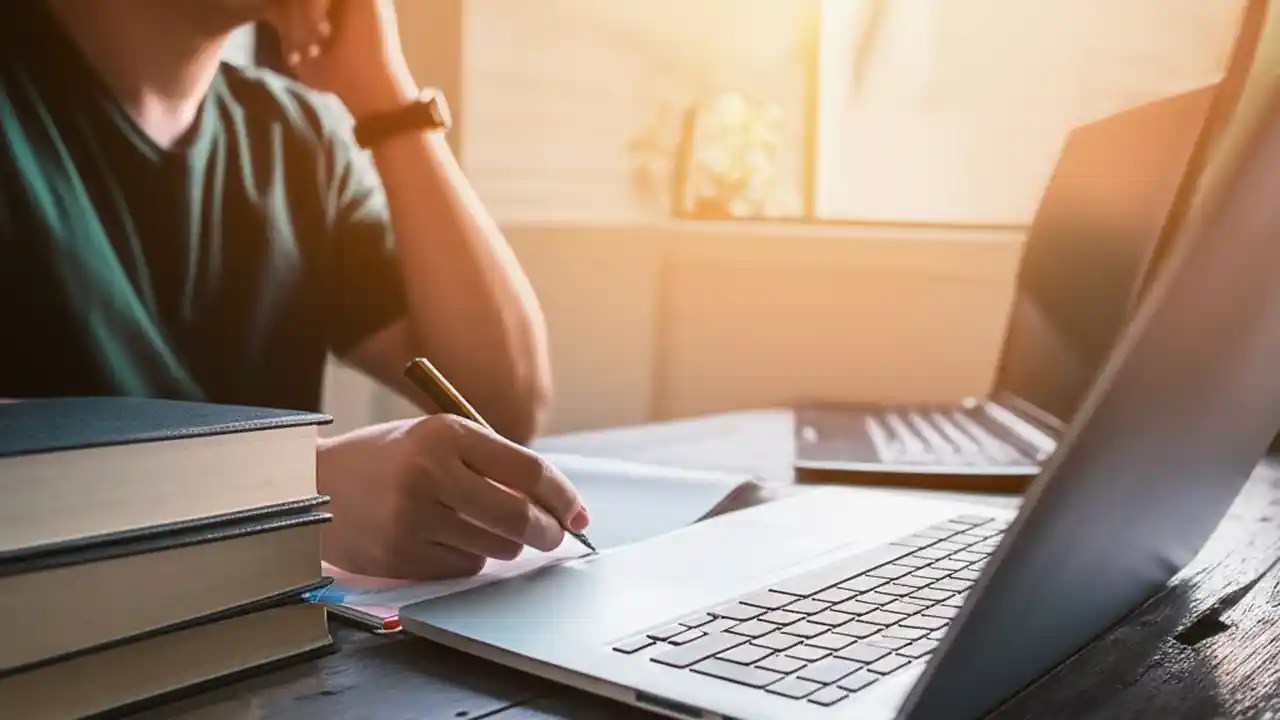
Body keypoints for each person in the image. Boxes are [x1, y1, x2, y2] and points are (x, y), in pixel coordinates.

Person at [0, 0, 590, 579]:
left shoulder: (297, 137)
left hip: (266, 635)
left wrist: (385, 98)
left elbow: (498, 404)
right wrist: (288, 488)